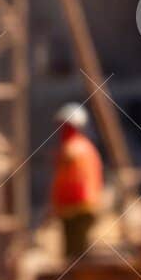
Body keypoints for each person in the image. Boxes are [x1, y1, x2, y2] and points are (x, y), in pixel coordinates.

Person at [50, 103, 104, 258]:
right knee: (79, 254)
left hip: (76, 210)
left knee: (75, 256)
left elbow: (64, 182)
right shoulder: (87, 148)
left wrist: (54, 204)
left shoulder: (72, 150)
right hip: (83, 208)